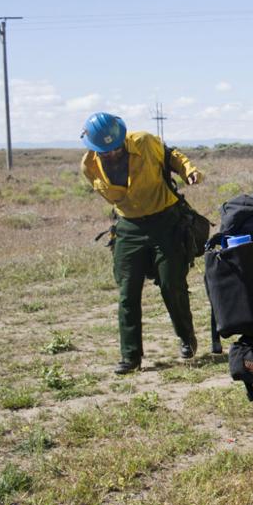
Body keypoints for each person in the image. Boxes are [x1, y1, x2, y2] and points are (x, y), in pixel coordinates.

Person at [80, 112, 202, 374]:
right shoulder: (88, 166)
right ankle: (130, 357)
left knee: (172, 285)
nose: (111, 154)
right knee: (127, 293)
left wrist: (188, 171)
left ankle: (186, 338)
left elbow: (172, 156)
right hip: (129, 227)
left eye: (115, 148)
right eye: (104, 151)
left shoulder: (145, 142)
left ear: (123, 138)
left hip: (166, 222)